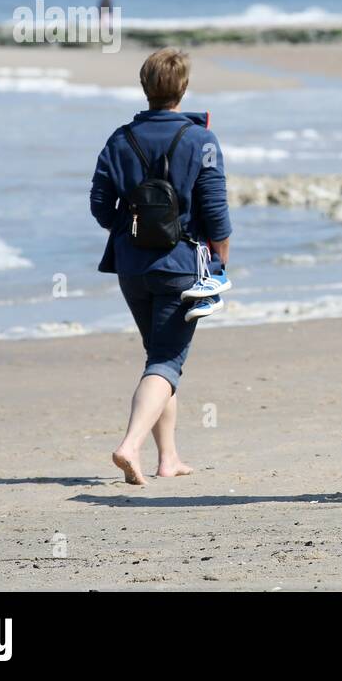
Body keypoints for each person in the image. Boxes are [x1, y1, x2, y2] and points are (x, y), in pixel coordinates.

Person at [90, 48, 232, 485]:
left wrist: (129, 228)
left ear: (145, 87)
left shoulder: (120, 138)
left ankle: (168, 457)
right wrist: (221, 262)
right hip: (181, 264)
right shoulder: (200, 140)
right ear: (183, 89)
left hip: (131, 265)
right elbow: (216, 213)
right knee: (167, 361)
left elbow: (99, 205)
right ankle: (129, 445)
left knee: (158, 358)